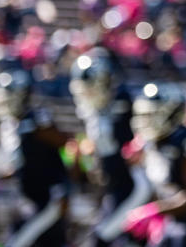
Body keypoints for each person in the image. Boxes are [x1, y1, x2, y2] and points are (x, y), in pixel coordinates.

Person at [69, 47, 151, 246]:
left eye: (92, 86)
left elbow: (147, 134)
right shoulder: (97, 111)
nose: (88, 93)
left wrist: (141, 145)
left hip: (135, 183)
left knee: (101, 239)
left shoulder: (125, 101)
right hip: (114, 185)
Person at [124, 82, 186, 246]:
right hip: (174, 219)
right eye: (143, 115)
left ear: (170, 113)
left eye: (150, 115)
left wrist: (153, 211)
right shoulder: (154, 142)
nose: (145, 121)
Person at [0, 67, 72, 247]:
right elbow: (21, 164)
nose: (4, 103)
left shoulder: (36, 120)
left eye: (9, 97)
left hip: (49, 196)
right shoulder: (12, 126)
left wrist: (36, 128)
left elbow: (62, 141)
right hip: (29, 199)